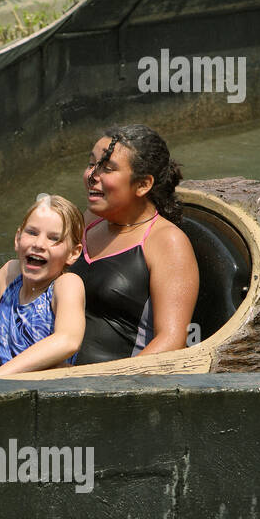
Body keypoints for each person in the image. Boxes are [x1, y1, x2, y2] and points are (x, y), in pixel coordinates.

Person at [67, 124, 198, 364]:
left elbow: (171, 341)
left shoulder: (166, 242)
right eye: (90, 164)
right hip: (44, 363)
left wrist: (109, 383)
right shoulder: (88, 222)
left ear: (142, 185)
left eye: (107, 168)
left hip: (103, 386)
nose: (92, 176)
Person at [0, 195, 87, 377]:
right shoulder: (10, 273)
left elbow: (68, 340)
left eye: (54, 238)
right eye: (32, 233)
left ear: (73, 253)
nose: (39, 244)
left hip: (36, 385)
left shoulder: (66, 284)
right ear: (17, 238)